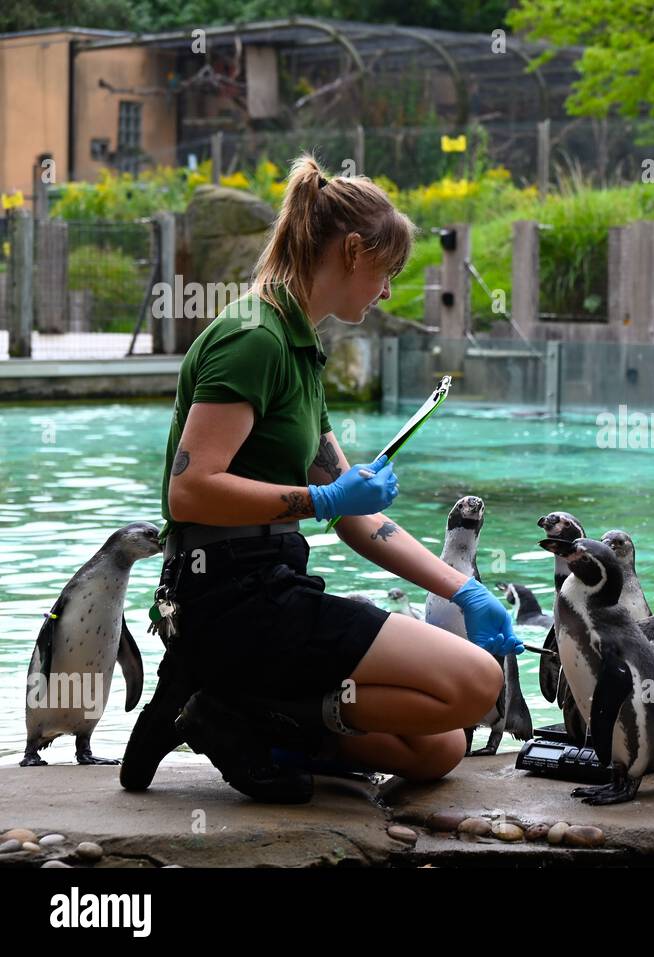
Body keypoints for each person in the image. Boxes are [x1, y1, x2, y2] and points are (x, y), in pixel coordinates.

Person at [120, 154, 522, 802]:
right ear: (353, 250)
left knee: (441, 746)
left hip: (274, 582)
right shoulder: (253, 338)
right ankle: (226, 705)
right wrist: (323, 498)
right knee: (475, 684)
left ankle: (249, 718)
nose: (387, 290)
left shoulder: (299, 347)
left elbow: (359, 521)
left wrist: (464, 591)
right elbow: (189, 490)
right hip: (229, 597)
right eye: (386, 272)